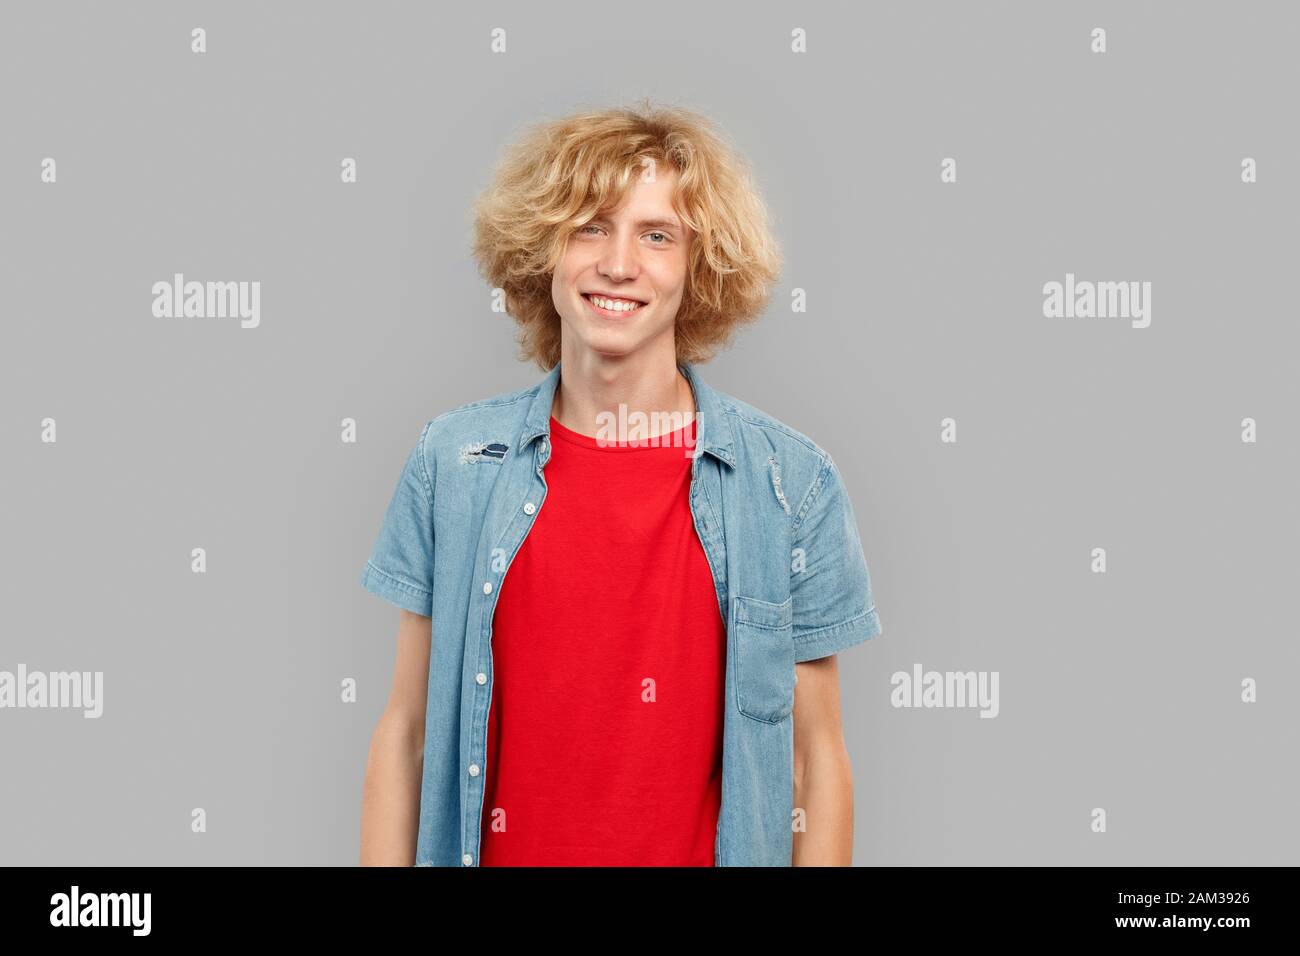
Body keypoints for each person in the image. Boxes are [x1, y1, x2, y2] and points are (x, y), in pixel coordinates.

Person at [358, 101, 883, 867]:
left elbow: (815, 763)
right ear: (544, 249)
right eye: (589, 226)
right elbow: (406, 733)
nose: (618, 264)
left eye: (656, 234)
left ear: (698, 266)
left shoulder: (789, 484)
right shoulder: (456, 464)